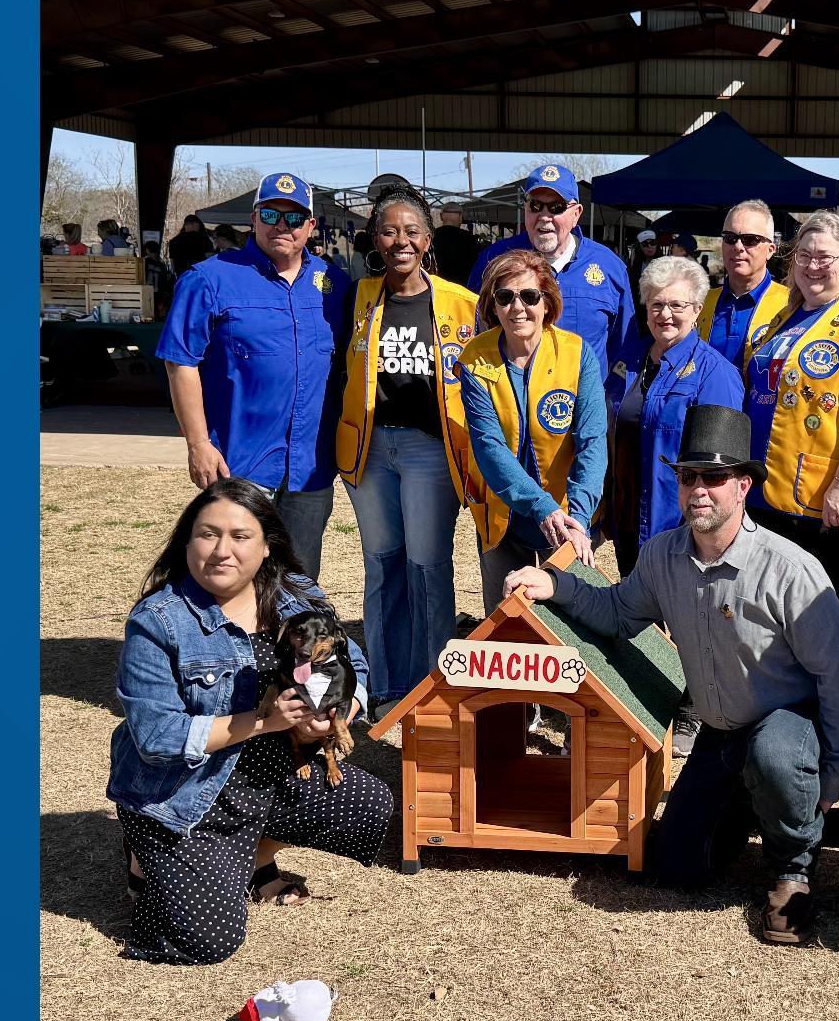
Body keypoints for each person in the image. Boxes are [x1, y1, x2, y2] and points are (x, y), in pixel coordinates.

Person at [504, 405, 839, 945]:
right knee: (675, 867)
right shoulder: (661, 556)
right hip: (723, 734)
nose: (700, 489)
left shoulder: (790, 568)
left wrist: (833, 777)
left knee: (774, 753)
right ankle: (758, 799)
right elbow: (617, 615)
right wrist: (556, 585)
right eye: (688, 476)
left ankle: (794, 867)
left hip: (788, 725)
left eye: (715, 477)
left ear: (742, 485)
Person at [107, 478, 394, 965]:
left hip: (272, 777)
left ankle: (250, 856)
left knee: (370, 805)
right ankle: (147, 855)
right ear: (187, 541)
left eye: (240, 536)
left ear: (266, 547)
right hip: (187, 793)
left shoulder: (297, 594)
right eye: (207, 534)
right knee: (205, 942)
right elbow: (158, 738)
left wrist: (339, 716)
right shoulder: (158, 620)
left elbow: (354, 665)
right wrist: (265, 723)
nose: (222, 550)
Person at [157, 171, 352, 581]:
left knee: (297, 577)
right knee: (229, 574)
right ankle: (229, 646)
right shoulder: (209, 279)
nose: (283, 225)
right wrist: (198, 444)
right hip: (238, 464)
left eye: (295, 217)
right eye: (271, 214)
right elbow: (180, 363)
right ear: (254, 218)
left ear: (311, 226)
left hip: (311, 467)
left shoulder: (335, 285)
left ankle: (282, 646)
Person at [331, 186, 478, 721]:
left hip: (429, 452)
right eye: (389, 231)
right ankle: (387, 685)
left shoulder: (461, 303)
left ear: (427, 239)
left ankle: (432, 686)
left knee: (427, 566)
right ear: (375, 239)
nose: (400, 241)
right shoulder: (359, 297)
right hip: (371, 451)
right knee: (382, 565)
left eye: (411, 231)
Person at [604, 257, 744, 757]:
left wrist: (704, 521)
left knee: (693, 619)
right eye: (657, 304)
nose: (666, 314)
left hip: (682, 519)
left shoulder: (716, 375)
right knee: (644, 613)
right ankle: (648, 701)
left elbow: (721, 465)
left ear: (698, 309)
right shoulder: (630, 359)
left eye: (677, 305)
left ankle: (692, 711)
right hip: (630, 517)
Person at [742, 209, 839, 622]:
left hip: (820, 502)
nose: (813, 266)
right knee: (769, 612)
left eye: (825, 257)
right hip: (767, 492)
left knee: (819, 618)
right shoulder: (784, 317)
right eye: (805, 256)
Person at [456, 248, 607, 613]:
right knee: (506, 624)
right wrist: (542, 509)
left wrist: (578, 521)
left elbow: (593, 440)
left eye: (529, 296)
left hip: (571, 518)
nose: (517, 307)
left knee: (571, 630)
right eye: (504, 297)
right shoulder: (475, 359)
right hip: (506, 520)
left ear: (546, 302)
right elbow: (489, 449)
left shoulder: (576, 354)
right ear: (492, 305)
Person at [467, 164, 633, 379]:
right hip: (511, 404)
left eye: (556, 207)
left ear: (576, 213)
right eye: (535, 206)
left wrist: (611, 404)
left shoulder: (609, 266)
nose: (544, 216)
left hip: (582, 406)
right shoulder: (492, 261)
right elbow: (472, 333)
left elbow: (625, 348)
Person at [698, 199, 787, 367]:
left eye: (750, 239)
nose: (738, 246)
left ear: (770, 250)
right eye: (730, 238)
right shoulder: (700, 303)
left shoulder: (791, 305)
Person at [432, 202, 481, 284]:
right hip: (462, 287)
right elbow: (475, 265)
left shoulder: (431, 236)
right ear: (460, 216)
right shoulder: (468, 238)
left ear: (441, 216)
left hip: (436, 286)